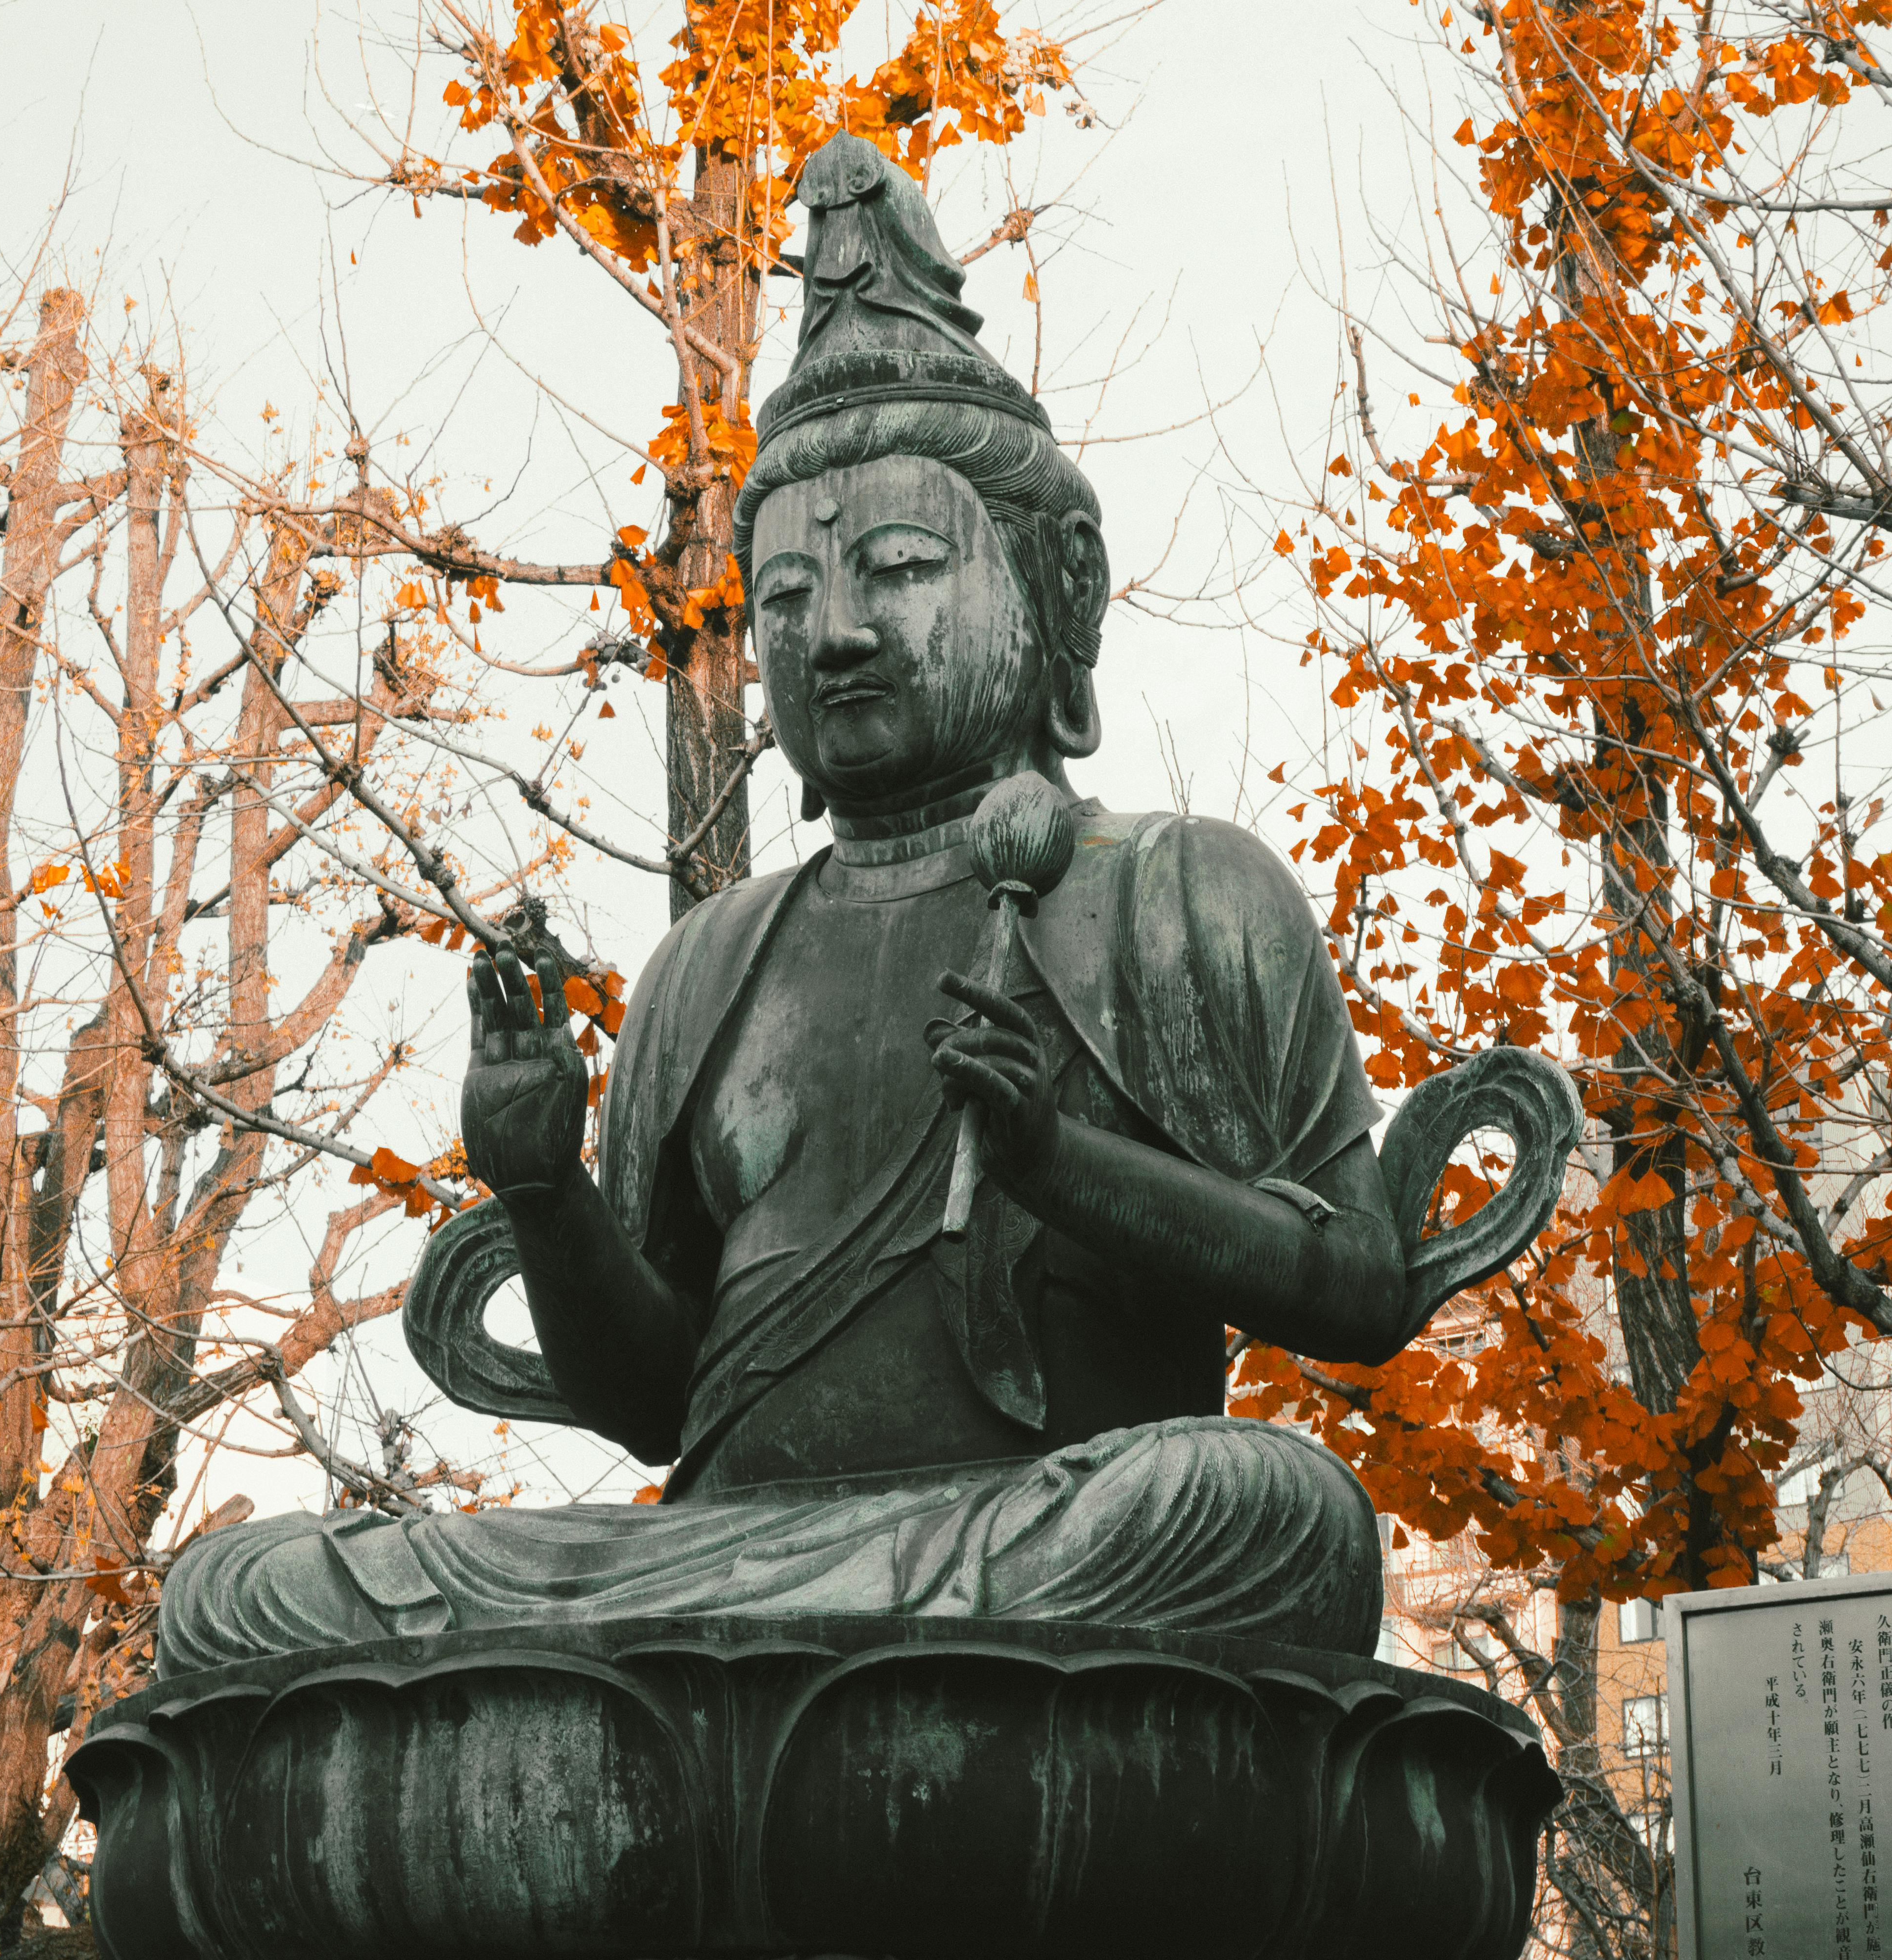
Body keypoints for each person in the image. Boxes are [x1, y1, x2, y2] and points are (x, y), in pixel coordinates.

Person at [156, 135, 1407, 1680]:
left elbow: (1360, 1286)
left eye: (894, 568)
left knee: (1258, 1503)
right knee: (248, 1590)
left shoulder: (1175, 891)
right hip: (743, 1553)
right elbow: (659, 1400)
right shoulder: (712, 962)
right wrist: (543, 1187)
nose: (836, 636)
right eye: (789, 599)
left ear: (1059, 591)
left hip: (1050, 1536)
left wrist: (1055, 1161)